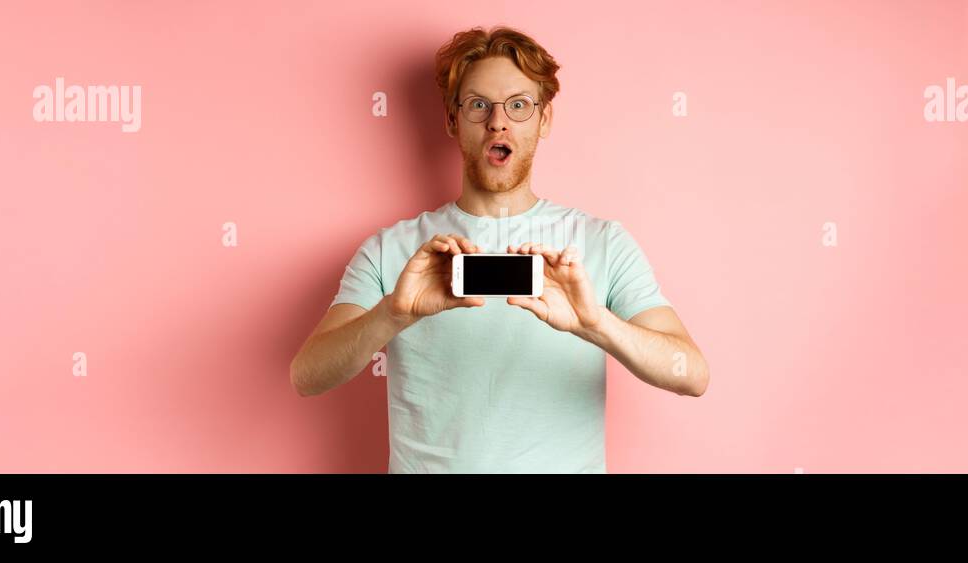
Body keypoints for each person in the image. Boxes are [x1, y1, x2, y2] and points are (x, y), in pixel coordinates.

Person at [290, 26, 709, 473]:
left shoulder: (602, 243)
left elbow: (692, 374)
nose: (498, 121)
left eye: (519, 105)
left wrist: (597, 325)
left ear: (544, 120)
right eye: (478, 105)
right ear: (452, 121)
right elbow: (307, 376)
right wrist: (393, 314)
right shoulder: (389, 250)